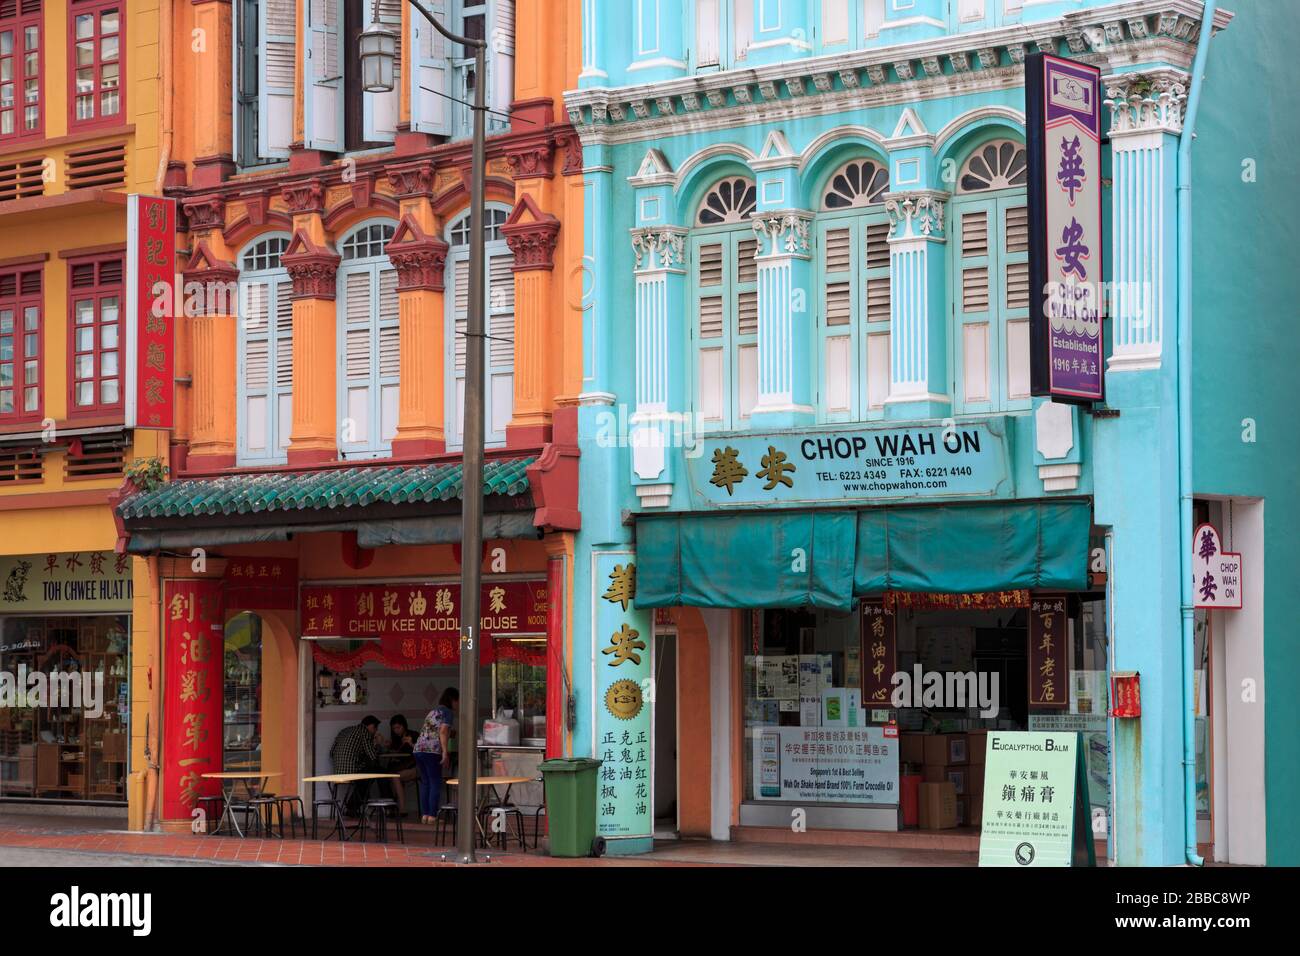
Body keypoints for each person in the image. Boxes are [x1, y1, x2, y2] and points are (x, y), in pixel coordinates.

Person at [413, 689, 459, 825]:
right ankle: (433, 816)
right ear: (452, 700)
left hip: (418, 750)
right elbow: (443, 731)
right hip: (432, 751)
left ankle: (425, 815)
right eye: (458, 701)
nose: (458, 704)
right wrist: (445, 752)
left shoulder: (433, 712)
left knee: (426, 782)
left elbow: (433, 730)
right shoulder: (448, 712)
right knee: (435, 783)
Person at [329, 715, 382, 816]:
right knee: (374, 773)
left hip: (337, 772)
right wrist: (378, 744)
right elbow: (372, 756)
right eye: (375, 729)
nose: (375, 732)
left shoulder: (344, 731)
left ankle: (355, 805)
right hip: (352, 771)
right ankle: (354, 807)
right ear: (371, 726)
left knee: (368, 775)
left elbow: (331, 753)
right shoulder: (365, 732)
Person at [382, 715, 420, 817]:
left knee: (394, 777)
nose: (396, 730)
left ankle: (402, 809)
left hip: (415, 767)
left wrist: (411, 743)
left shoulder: (413, 735)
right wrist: (388, 746)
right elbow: (395, 753)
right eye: (394, 728)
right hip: (400, 768)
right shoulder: (396, 739)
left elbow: (423, 750)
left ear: (404, 726)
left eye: (398, 727)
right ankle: (394, 807)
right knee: (389, 777)